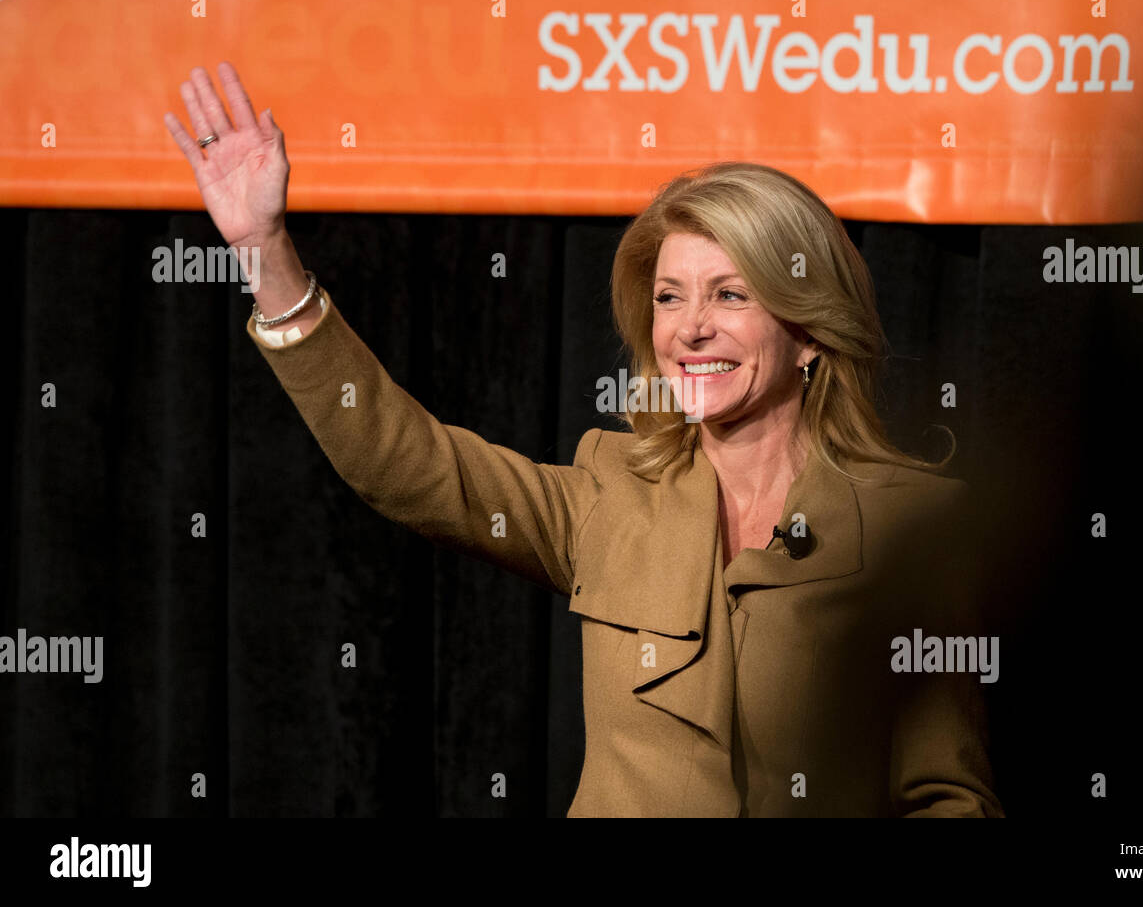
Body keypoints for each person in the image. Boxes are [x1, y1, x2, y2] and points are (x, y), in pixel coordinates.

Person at [165, 62, 1004, 817]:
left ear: (811, 330)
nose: (691, 329)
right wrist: (265, 251)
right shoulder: (608, 491)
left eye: (730, 295)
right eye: (670, 298)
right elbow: (406, 463)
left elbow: (945, 797)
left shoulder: (912, 532)